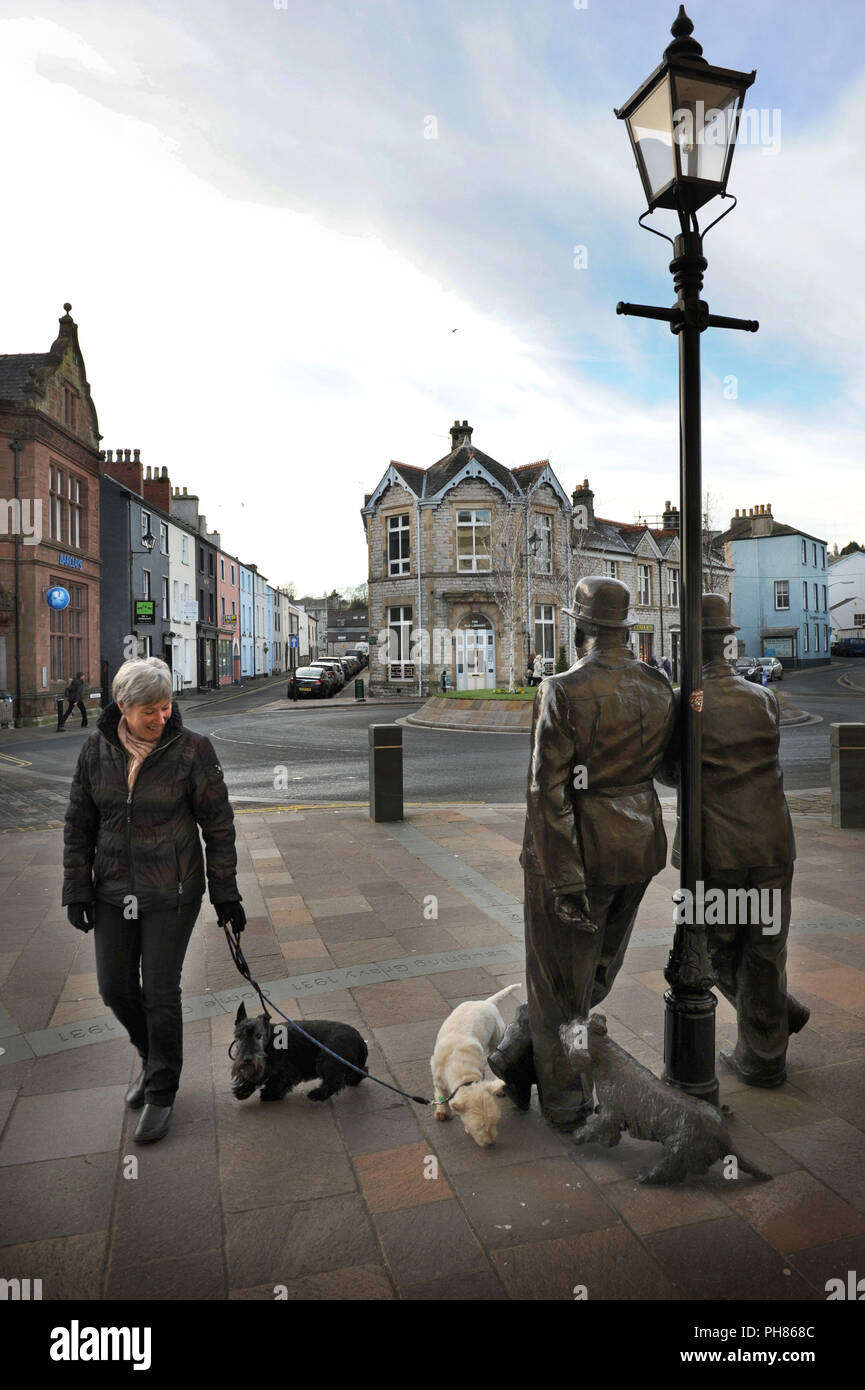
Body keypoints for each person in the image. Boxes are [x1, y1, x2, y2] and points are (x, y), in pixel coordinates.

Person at [490, 576, 676, 1130]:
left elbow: (547, 790)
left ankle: (566, 1102)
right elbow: (667, 770)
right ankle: (519, 1053)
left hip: (574, 853)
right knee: (594, 972)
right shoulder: (659, 686)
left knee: (556, 985)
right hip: (637, 849)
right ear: (625, 628)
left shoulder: (562, 689)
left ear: (582, 628)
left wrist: (565, 879)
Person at [62, 656, 246, 1144]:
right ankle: (151, 1056)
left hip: (173, 891)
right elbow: (79, 824)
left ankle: (162, 1090)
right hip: (112, 890)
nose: (161, 718)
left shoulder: (193, 750)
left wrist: (225, 892)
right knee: (115, 988)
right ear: (123, 706)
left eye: (166, 707)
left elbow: (218, 825)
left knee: (160, 992)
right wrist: (77, 887)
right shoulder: (95, 750)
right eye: (149, 711)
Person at [660, 594, 805, 1087]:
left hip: (717, 848)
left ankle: (770, 1030)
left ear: (689, 644)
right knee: (766, 948)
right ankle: (767, 1050)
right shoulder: (763, 698)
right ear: (725, 641)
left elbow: (671, 773)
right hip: (773, 842)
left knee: (710, 949)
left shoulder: (685, 703)